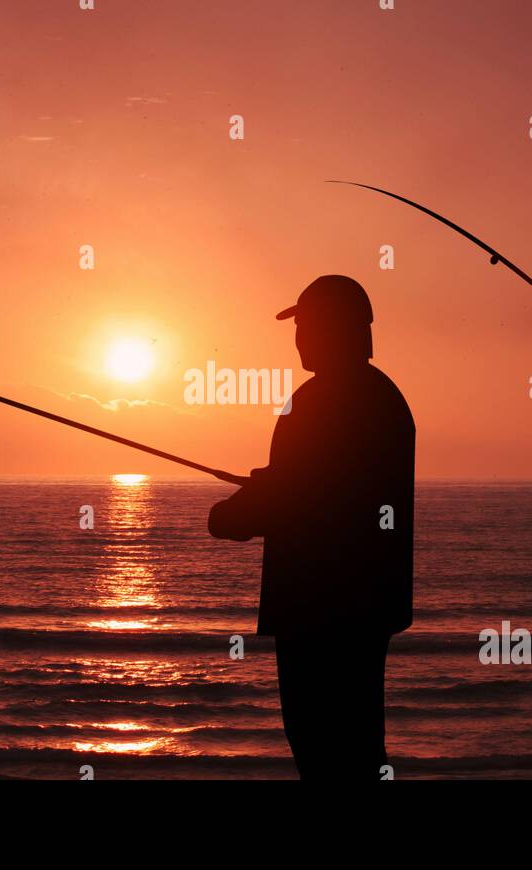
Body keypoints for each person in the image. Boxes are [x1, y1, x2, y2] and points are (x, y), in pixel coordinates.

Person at [208, 275, 415, 780]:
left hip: (319, 607)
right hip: (363, 607)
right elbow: (317, 485)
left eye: (304, 324)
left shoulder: (320, 401)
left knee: (324, 747)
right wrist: (269, 485)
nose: (298, 337)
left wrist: (232, 513)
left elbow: (299, 496)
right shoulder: (382, 397)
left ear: (334, 327)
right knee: (356, 746)